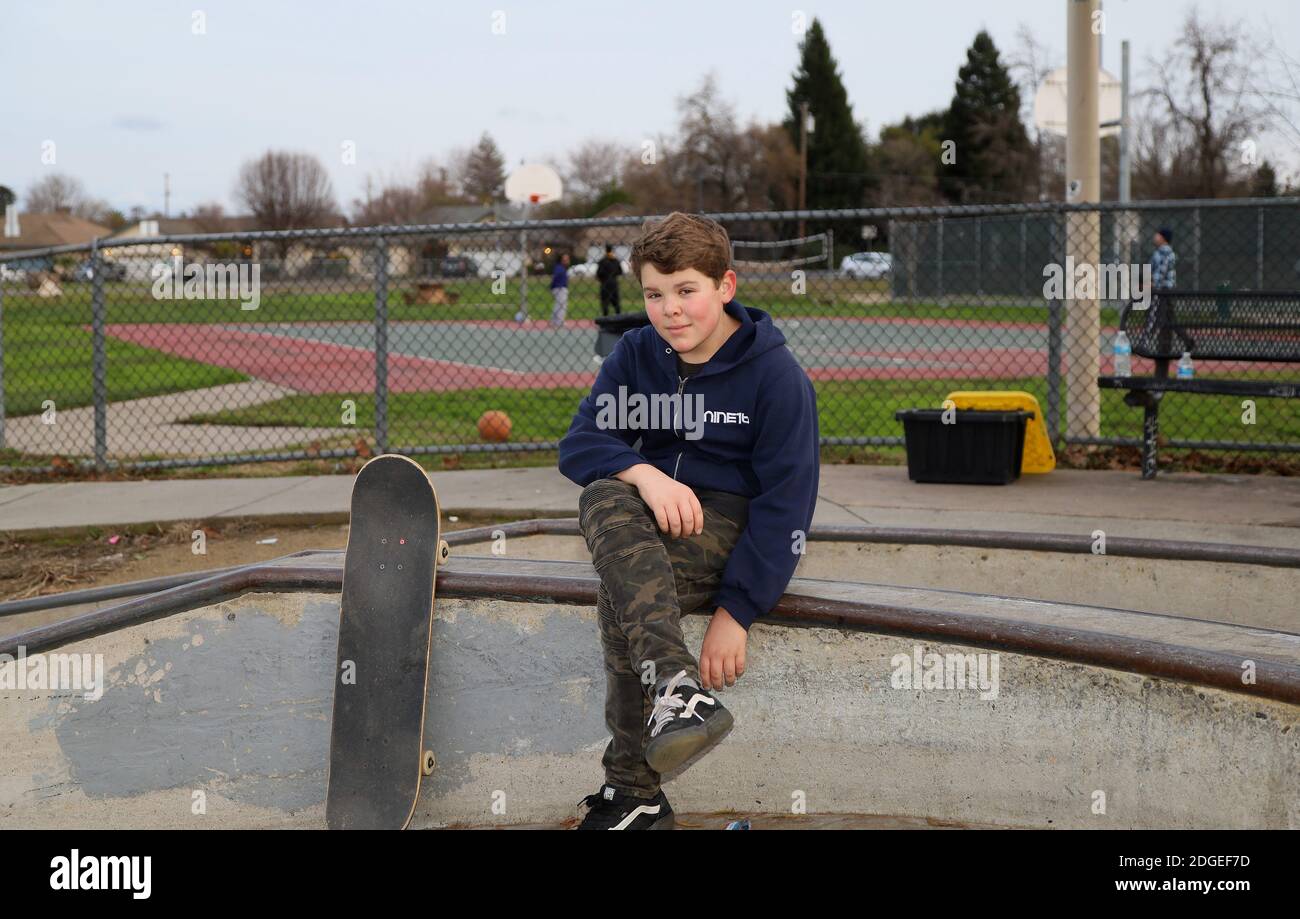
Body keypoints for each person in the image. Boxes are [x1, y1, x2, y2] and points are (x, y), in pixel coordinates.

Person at [557, 212, 820, 830]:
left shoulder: (777, 377)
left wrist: (738, 611)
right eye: (654, 293)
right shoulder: (637, 355)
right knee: (602, 495)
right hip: (648, 512)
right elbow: (580, 443)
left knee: (617, 594)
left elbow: (788, 508)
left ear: (725, 287)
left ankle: (633, 792)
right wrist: (646, 474)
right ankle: (678, 691)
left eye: (686, 291)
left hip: (727, 525)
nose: (670, 310)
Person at [596, 244, 623, 316]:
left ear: (605, 250)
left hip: (605, 283)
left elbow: (599, 273)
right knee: (616, 302)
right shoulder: (616, 260)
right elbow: (620, 272)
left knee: (605, 302)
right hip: (614, 283)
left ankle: (605, 319)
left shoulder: (602, 261)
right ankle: (619, 318)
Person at [549, 252, 570, 327]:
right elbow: (555, 278)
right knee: (562, 305)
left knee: (558, 305)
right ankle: (559, 321)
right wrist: (553, 287)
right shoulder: (560, 268)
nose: (567, 260)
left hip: (559, 288)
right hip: (560, 288)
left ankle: (554, 321)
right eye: (565, 259)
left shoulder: (560, 267)